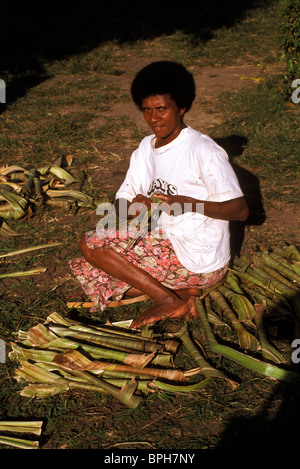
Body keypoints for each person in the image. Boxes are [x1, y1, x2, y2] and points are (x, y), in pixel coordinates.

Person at [69, 61, 249, 329]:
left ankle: (166, 299)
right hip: (169, 246)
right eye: (147, 110)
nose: (154, 118)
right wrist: (132, 208)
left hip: (200, 258)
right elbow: (121, 201)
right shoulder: (145, 148)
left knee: (92, 244)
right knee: (87, 268)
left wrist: (189, 204)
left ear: (182, 107)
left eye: (162, 109)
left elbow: (240, 210)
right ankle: (185, 292)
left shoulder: (203, 150)